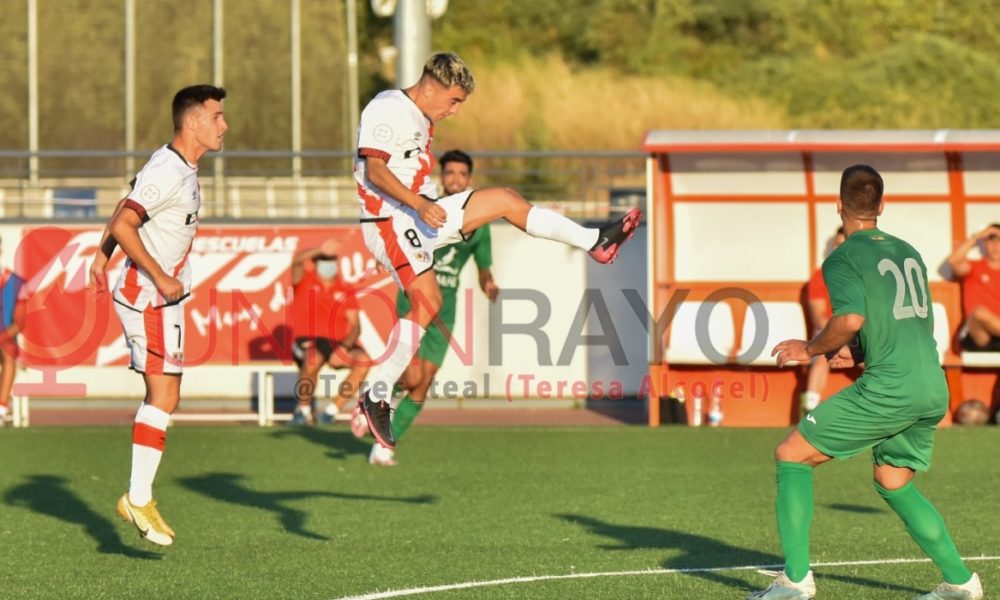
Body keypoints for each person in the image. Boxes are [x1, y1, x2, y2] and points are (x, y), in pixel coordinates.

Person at [355, 52, 641, 450]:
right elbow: (374, 170)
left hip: (420, 215)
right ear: (431, 86)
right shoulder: (388, 106)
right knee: (429, 300)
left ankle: (595, 241)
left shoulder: (422, 117)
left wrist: (423, 205)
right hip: (389, 221)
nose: (455, 111)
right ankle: (377, 393)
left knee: (506, 199)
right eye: (454, 101)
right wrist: (419, 204)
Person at [754, 165, 982, 599]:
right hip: (930, 384)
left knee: (791, 455)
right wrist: (858, 352)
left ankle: (795, 582)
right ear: (882, 206)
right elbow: (906, 322)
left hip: (890, 387)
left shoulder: (842, 257)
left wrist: (811, 347)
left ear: (838, 205)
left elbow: (850, 319)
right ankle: (960, 583)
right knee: (893, 480)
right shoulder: (908, 251)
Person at [89, 84, 228, 547]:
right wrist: (159, 275)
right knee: (164, 395)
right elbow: (126, 221)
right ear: (192, 121)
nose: (224, 125)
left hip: (160, 296)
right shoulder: (170, 170)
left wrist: (101, 256)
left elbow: (126, 205)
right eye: (217, 117)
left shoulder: (177, 166)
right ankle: (138, 498)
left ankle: (139, 496)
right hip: (148, 296)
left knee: (168, 394)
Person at [367, 149, 499, 466]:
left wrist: (489, 284)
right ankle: (375, 396)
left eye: (462, 174)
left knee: (422, 385)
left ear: (470, 178)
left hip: (447, 308)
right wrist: (383, 257)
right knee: (412, 376)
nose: (455, 179)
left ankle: (384, 446)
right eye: (450, 172)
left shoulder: (478, 223)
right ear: (442, 176)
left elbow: (484, 268)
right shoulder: (425, 208)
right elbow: (396, 239)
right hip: (416, 299)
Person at [287, 239, 370, 426]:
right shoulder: (304, 281)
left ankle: (331, 412)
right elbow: (297, 261)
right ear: (316, 263)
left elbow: (355, 326)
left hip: (337, 342)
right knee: (313, 358)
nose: (328, 264)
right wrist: (319, 248)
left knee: (363, 361)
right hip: (308, 339)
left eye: (331, 260)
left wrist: (344, 348)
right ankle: (303, 411)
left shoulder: (345, 288)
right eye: (324, 260)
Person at [800, 227, 846, 413]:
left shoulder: (864, 277)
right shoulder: (820, 277)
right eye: (837, 245)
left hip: (859, 332)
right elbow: (819, 318)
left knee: (879, 356)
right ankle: (810, 409)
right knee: (822, 354)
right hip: (830, 331)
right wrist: (840, 334)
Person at [946, 223, 1000, 351]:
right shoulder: (975, 267)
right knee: (979, 313)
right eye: (991, 240)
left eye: (999, 240)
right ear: (985, 243)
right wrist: (977, 236)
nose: (995, 245)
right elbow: (953, 261)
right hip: (979, 335)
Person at [0, 236, 25, 427]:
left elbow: (20, 322)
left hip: (4, 338)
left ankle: (1, 407)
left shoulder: (15, 282)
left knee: (8, 352)